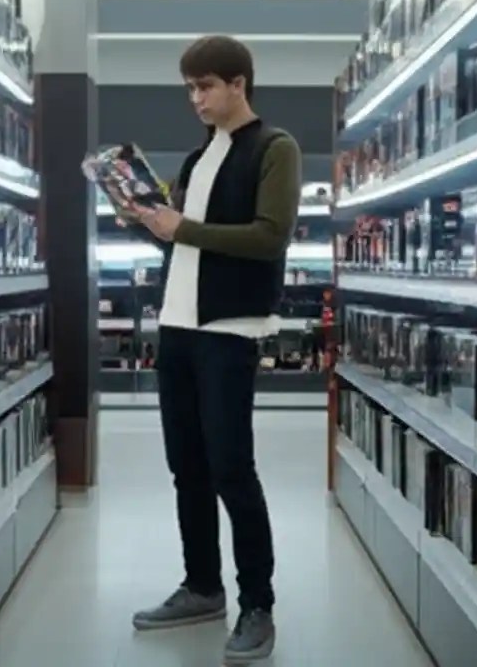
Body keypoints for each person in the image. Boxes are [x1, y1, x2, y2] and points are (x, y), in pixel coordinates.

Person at [120, 35, 301, 662]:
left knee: (232, 469)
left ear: (238, 84)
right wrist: (152, 225)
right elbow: (184, 246)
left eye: (205, 86)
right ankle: (202, 585)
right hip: (177, 329)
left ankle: (259, 604)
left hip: (229, 333)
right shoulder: (198, 163)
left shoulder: (276, 149)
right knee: (186, 469)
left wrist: (183, 228)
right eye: (190, 88)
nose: (196, 98)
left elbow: (270, 237)